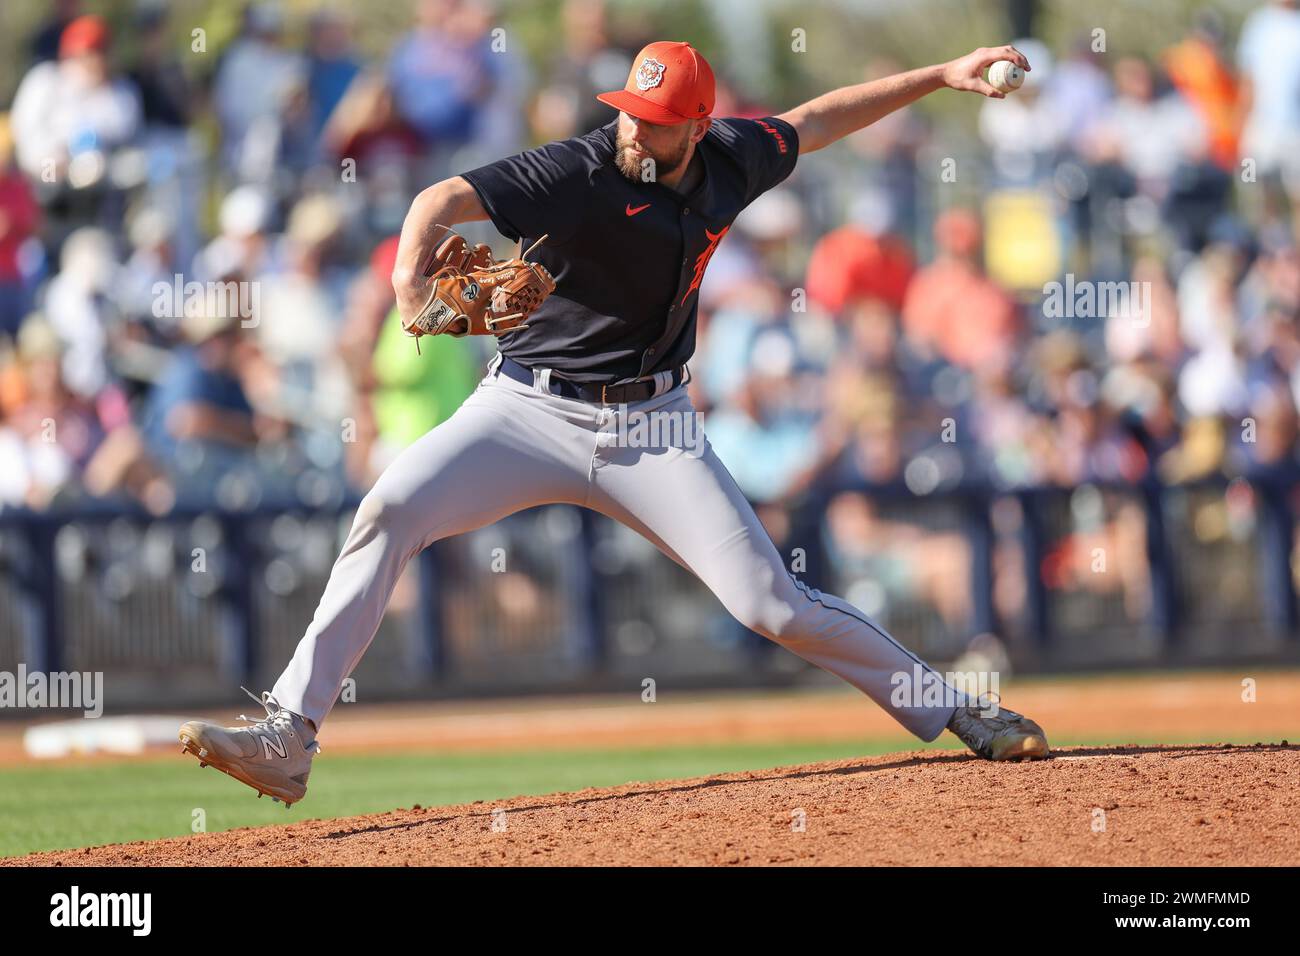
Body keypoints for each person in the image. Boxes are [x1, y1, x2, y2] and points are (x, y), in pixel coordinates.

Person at [179, 40, 1049, 807]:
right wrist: (411, 289)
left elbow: (816, 119)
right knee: (388, 509)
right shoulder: (577, 169)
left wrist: (941, 75)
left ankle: (955, 708)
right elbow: (439, 199)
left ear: (698, 127)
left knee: (770, 604)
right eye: (630, 111)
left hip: (655, 427)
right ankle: (290, 737)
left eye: (657, 120)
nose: (635, 130)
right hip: (526, 409)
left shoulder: (735, 158)